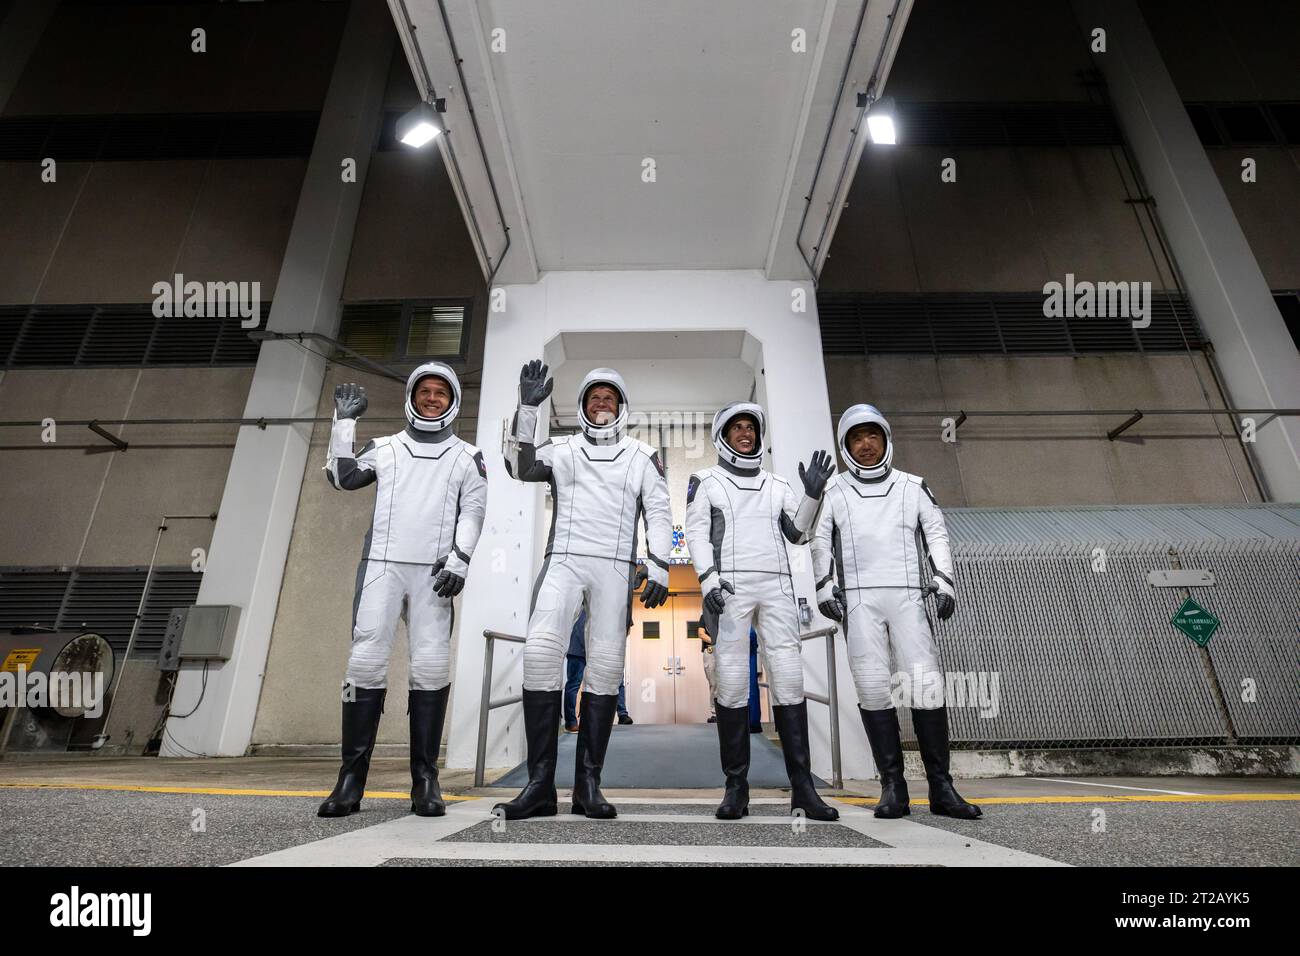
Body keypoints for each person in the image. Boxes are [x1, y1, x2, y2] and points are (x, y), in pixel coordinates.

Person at [494, 362, 671, 820]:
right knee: (539, 655)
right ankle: (539, 786)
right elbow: (520, 465)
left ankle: (587, 785)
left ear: (622, 406)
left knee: (606, 668)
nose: (600, 403)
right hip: (564, 560)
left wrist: (660, 564)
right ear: (582, 405)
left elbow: (658, 509)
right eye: (593, 397)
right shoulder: (563, 449)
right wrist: (529, 408)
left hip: (615, 568)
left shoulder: (642, 456)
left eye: (608, 397)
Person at [317, 363, 487, 818]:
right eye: (425, 391)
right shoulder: (386, 447)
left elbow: (472, 511)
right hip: (382, 567)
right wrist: (345, 422)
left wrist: (461, 557)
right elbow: (341, 478)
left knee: (430, 668)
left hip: (434, 573)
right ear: (412, 397)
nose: (433, 399)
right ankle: (350, 780)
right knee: (365, 661)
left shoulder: (467, 456)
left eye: (442, 393)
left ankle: (425, 780)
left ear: (453, 402)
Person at [812, 404, 981, 820]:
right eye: (856, 438)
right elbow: (818, 542)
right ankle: (893, 786)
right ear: (845, 444)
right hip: (860, 601)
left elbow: (936, 533)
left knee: (925, 685)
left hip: (908, 598)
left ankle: (942, 788)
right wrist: (822, 585)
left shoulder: (913, 486)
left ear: (886, 439)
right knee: (871, 689)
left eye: (873, 436)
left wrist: (944, 580)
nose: (865, 445)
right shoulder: (835, 491)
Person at [685, 401, 838, 822]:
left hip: (778, 588)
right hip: (730, 587)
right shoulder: (706, 480)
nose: (746, 433)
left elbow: (799, 533)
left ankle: (803, 790)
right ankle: (736, 788)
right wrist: (709, 580)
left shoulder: (778, 484)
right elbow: (697, 534)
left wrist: (812, 494)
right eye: (737, 427)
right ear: (723, 437)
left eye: (751, 427)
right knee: (732, 684)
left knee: (789, 681)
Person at [563, 607, 633, 732]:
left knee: (617, 680)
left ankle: (622, 713)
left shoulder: (610, 599)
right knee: (573, 684)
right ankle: (571, 722)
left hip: (599, 648)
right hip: (577, 647)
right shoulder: (577, 599)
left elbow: (627, 625)